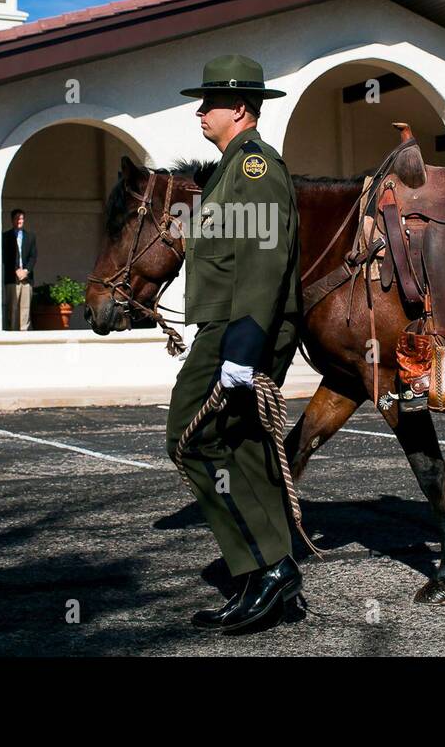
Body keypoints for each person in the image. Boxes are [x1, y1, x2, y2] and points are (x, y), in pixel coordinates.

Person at [165, 54, 303, 635]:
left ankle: (267, 568)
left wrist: (241, 352)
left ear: (240, 109)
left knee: (189, 439)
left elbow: (262, 263)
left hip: (238, 328)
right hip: (228, 325)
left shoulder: (253, 170)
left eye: (209, 103)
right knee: (243, 448)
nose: (200, 112)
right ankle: (265, 578)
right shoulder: (228, 170)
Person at [2, 209, 37, 330]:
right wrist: (16, 269)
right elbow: (5, 256)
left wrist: (26, 271)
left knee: (25, 309)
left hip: (26, 279)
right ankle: (12, 334)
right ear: (12, 220)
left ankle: (24, 334)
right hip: (12, 279)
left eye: (21, 218)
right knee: (12, 309)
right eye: (17, 218)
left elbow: (33, 256)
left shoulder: (31, 237)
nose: (19, 221)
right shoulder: (5, 237)